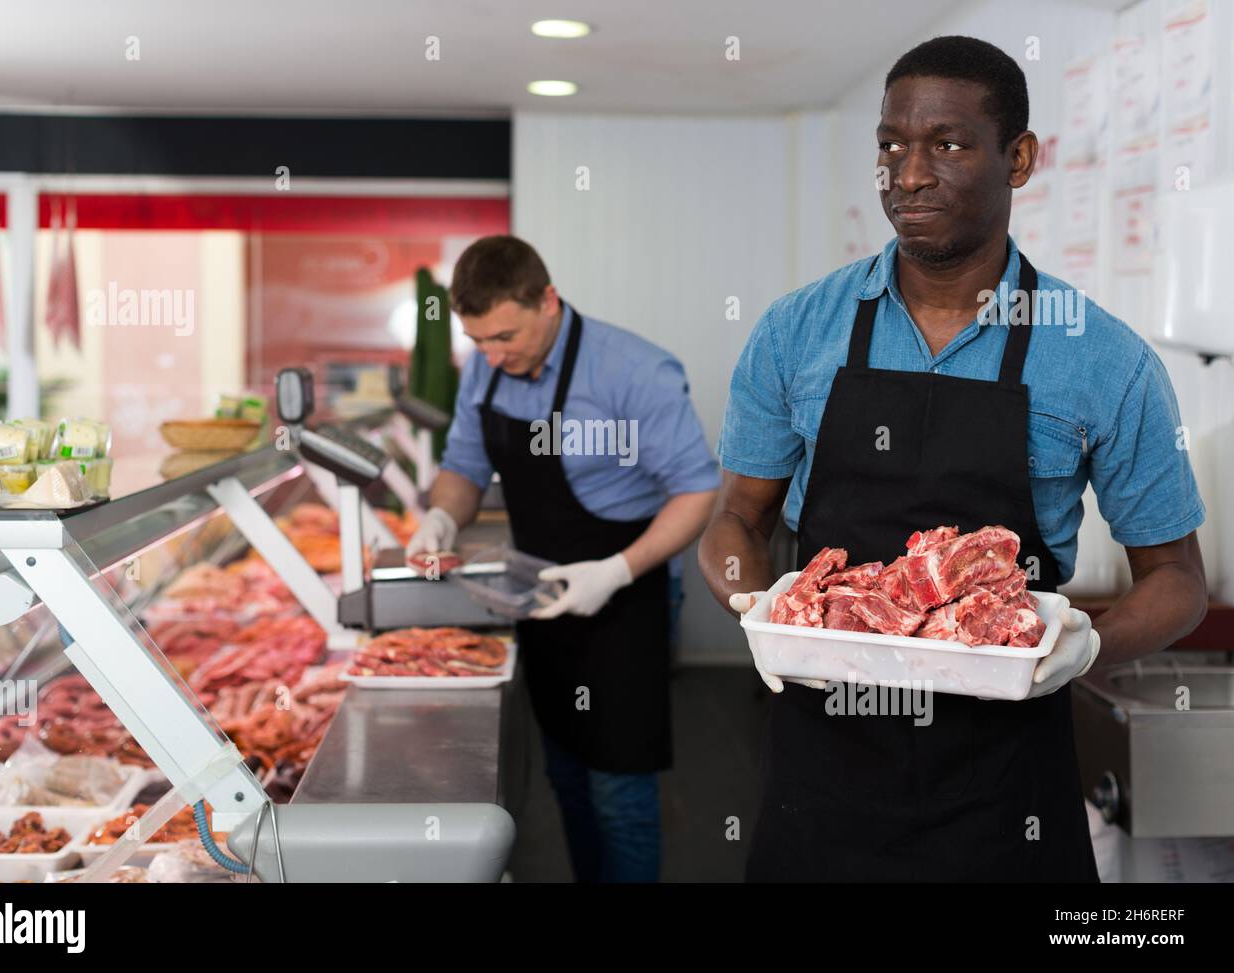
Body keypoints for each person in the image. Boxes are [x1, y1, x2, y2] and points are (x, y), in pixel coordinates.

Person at [698, 35, 1207, 882]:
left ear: (1020, 159)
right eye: (891, 145)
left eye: (947, 144)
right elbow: (734, 519)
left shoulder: (1103, 358)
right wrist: (756, 608)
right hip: (824, 759)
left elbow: (1178, 578)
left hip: (1005, 779)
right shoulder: (796, 331)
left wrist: (1084, 644)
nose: (907, 174)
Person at [408, 235, 719, 882]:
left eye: (505, 336)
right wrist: (441, 517)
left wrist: (615, 571)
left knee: (619, 795)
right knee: (567, 779)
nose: (493, 356)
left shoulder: (633, 370)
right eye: (478, 342)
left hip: (626, 598)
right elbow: (463, 467)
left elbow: (697, 491)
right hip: (540, 596)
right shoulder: (487, 367)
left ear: (547, 300)